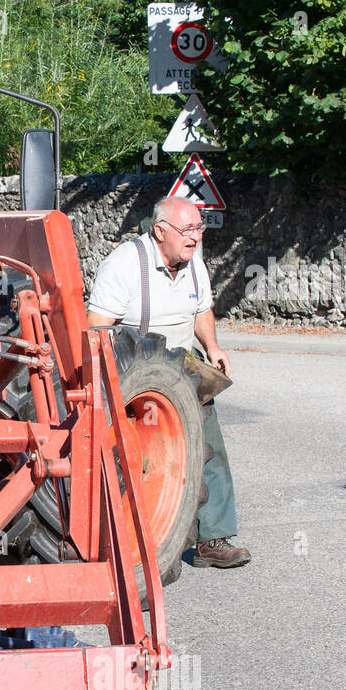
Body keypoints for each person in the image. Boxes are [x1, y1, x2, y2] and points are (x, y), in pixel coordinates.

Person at [85, 195, 250, 569]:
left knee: (209, 443)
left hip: (183, 365)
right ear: (160, 231)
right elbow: (96, 328)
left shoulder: (193, 265)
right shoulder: (125, 265)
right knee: (137, 458)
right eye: (187, 229)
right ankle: (134, 537)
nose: (195, 237)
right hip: (134, 373)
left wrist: (213, 347)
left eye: (199, 229)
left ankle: (212, 539)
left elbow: (202, 310)